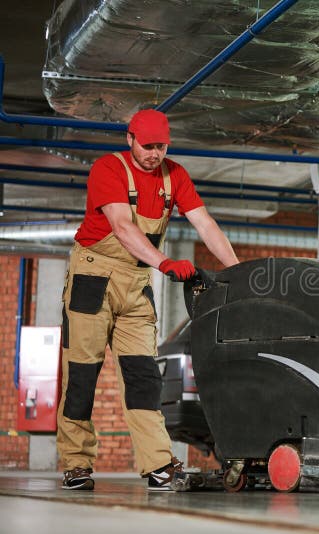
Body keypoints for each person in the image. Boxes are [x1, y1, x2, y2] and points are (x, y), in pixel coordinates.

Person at [57, 109, 239, 491]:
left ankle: (158, 465)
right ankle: (76, 463)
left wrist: (239, 273)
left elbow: (205, 223)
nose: (155, 153)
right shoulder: (109, 169)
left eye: (161, 146)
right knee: (82, 377)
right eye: (147, 145)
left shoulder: (176, 176)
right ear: (130, 139)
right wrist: (164, 262)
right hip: (94, 277)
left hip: (137, 284)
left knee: (143, 378)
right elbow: (122, 227)